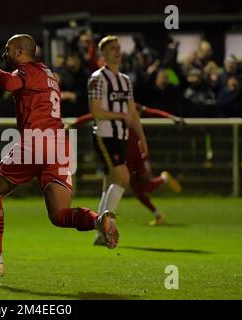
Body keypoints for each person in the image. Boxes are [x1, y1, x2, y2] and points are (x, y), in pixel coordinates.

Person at [0, 34, 119, 278]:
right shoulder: (49, 74)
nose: (5, 55)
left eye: (8, 50)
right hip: (60, 146)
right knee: (59, 215)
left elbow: (9, 84)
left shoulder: (27, 71)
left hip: (36, 142)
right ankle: (97, 220)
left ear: (19, 52)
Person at [68, 103, 183, 228]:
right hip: (124, 156)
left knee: (146, 186)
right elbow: (92, 116)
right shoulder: (112, 106)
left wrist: (171, 117)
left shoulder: (129, 104)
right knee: (136, 189)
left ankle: (163, 179)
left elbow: (151, 111)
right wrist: (75, 124)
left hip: (138, 156)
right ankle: (158, 215)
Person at [87, 35, 148, 245]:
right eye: (112, 48)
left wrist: (141, 137)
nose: (117, 51)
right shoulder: (97, 78)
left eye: (118, 47)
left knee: (110, 184)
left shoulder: (125, 80)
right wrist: (119, 116)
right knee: (123, 178)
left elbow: (132, 113)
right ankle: (107, 228)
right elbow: (95, 111)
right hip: (104, 135)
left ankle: (98, 232)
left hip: (121, 136)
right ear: (102, 54)